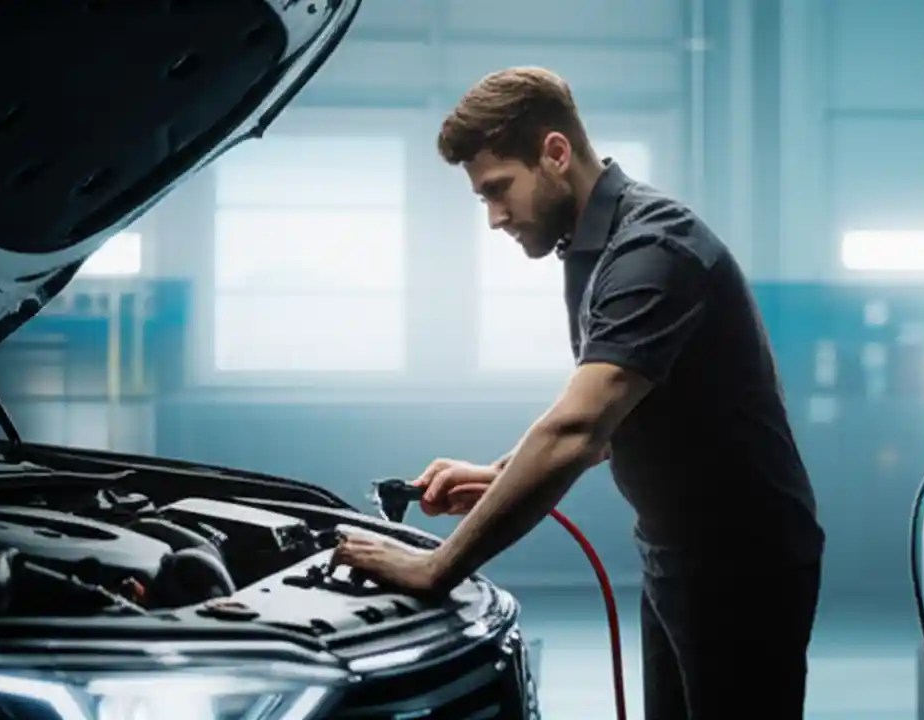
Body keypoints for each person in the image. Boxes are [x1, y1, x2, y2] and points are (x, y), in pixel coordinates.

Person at [330, 66, 826, 719]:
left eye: (498, 189)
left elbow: (579, 428)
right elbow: (612, 415)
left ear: (556, 153)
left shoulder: (654, 249)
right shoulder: (594, 248)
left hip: (744, 564)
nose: (494, 217)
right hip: (678, 553)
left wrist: (437, 567)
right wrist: (499, 474)